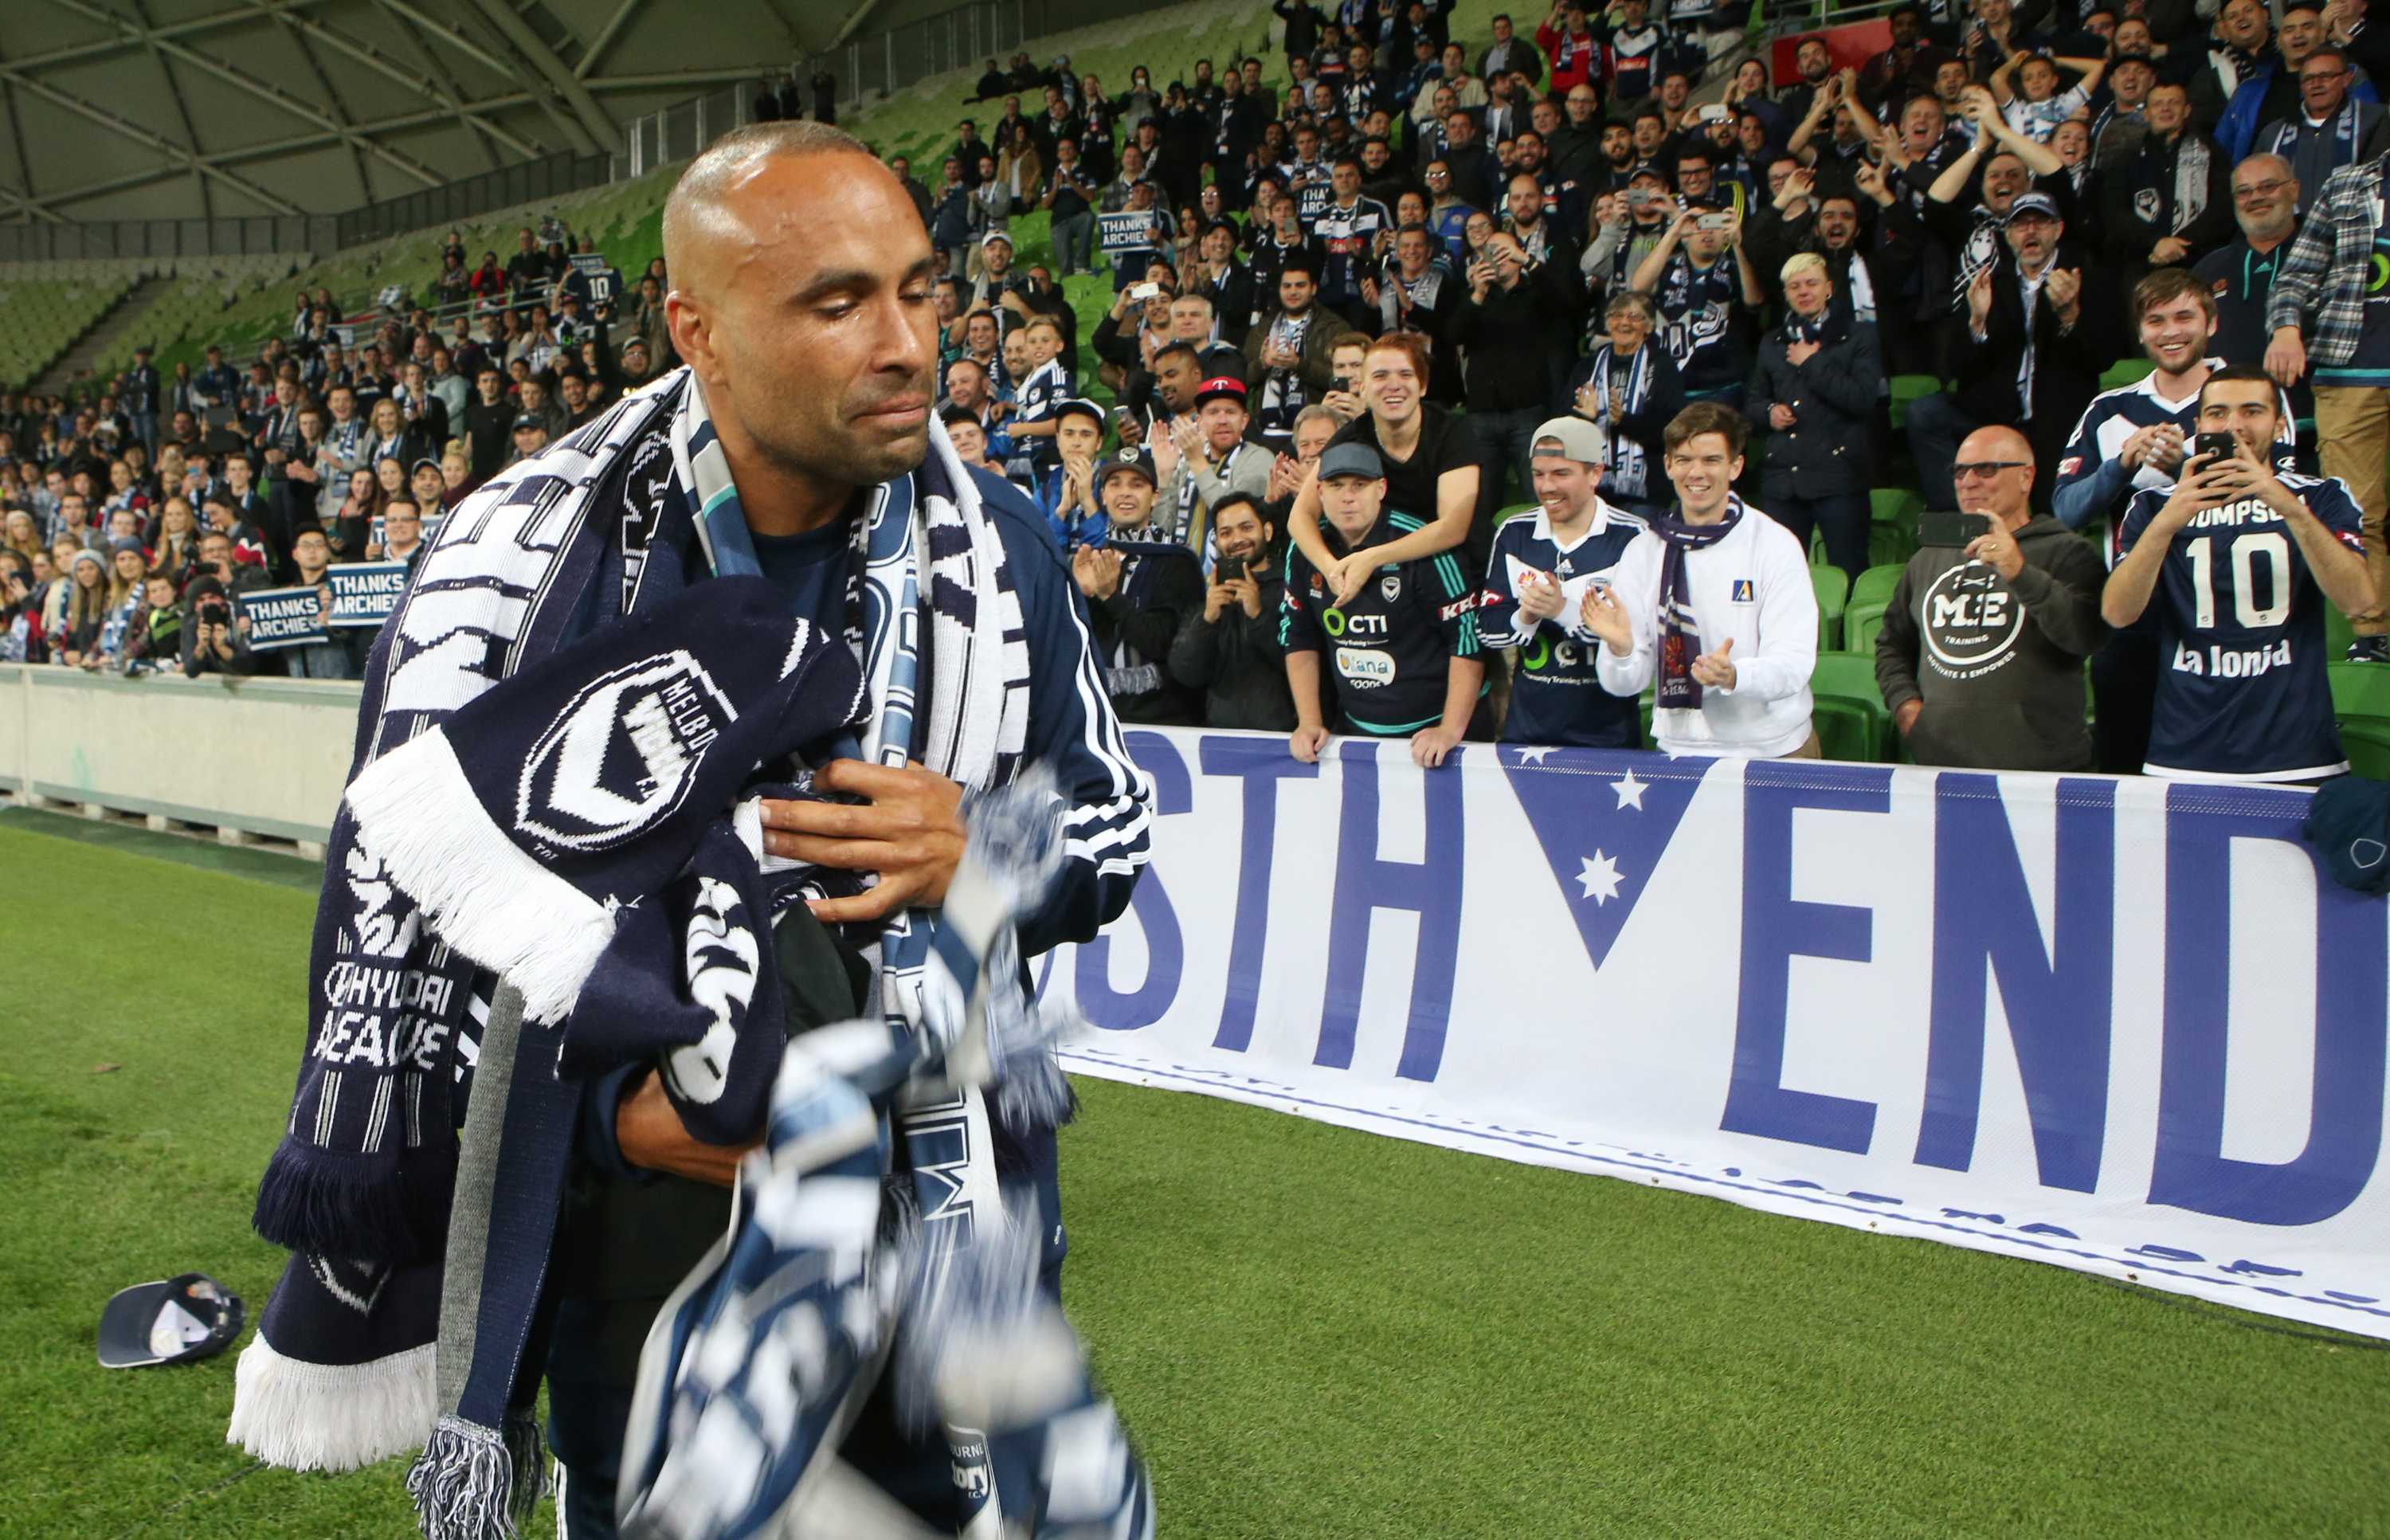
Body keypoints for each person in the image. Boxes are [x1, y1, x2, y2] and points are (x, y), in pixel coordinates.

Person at [2102, 366, 2375, 780]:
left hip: (2297, 751)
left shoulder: (2321, 496)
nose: (2233, 425)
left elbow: (2359, 600)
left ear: (2279, 423)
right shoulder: (2153, 506)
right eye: (2218, 413)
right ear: (2199, 424)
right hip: (2185, 752)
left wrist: (2280, 500)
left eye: (2251, 411)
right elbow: (2117, 613)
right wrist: (2168, 522)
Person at [1581, 402, 1819, 758]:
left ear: (1735, 466)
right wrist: (1620, 649)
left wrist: (1734, 676)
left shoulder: (1774, 544)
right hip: (1681, 748)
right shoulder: (1644, 550)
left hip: (1774, 749)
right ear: (1668, 466)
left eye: (1711, 460)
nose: (1696, 473)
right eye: (1684, 460)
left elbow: (1794, 663)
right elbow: (1623, 685)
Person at [1878, 425, 2110, 770]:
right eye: (1959, 471)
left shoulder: (2069, 551)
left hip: (2041, 773)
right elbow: (1892, 644)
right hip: (1939, 766)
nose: (1968, 481)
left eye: (1986, 469)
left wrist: (2019, 570)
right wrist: (1907, 709)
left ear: (2026, 477)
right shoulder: (1929, 557)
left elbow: (2084, 636)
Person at [1281, 441, 1489, 765]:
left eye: (1359, 485)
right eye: (1336, 486)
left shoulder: (1420, 544)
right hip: (1357, 729)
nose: (1347, 497)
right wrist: (1308, 721)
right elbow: (1298, 636)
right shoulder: (1306, 549)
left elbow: (1466, 638)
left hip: (1437, 734)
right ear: (1318, 491)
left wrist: (1448, 730)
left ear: (1381, 488)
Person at [2264, 137, 2390, 660]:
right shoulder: (2348, 183)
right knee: (2361, 511)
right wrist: (2287, 328)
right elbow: (2295, 275)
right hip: (2350, 368)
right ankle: (2373, 633)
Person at [1906, 193, 2094, 511]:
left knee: (2049, 501)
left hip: (2058, 419)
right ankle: (1958, 517)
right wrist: (1977, 324)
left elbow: (2100, 356)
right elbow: (1955, 368)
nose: (2030, 231)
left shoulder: (2083, 279)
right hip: (1996, 416)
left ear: (2058, 230)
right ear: (2008, 236)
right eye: (2020, 225)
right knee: (1925, 412)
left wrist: (2070, 317)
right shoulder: (1989, 285)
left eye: (2040, 223)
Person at [1476, 416, 1648, 747]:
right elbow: (1487, 629)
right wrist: (1525, 616)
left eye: (1561, 474)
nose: (1546, 487)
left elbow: (1635, 639)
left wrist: (1561, 610)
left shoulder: (1633, 536)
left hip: (1608, 737)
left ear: (1595, 473)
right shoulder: (1514, 531)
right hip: (1527, 734)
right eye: (1539, 474)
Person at [1743, 253, 1881, 585]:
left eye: (1811, 283)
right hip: (1783, 480)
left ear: (1829, 289)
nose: (1803, 291)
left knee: (1849, 571)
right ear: (1786, 294)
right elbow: (1752, 402)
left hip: (1839, 475)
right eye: (1795, 286)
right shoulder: (1772, 341)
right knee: (1776, 579)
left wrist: (1812, 362)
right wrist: (1769, 413)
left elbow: (1863, 400)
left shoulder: (1859, 335)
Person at [1073, 453, 1207, 723]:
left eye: (1137, 485)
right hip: (1097, 710)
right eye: (1115, 484)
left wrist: (1111, 597)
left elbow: (1162, 645)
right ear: (1103, 497)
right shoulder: (1088, 559)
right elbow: (1073, 648)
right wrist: (1081, 597)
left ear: (1155, 497)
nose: (1125, 493)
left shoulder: (1177, 561)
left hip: (1161, 717)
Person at [1167, 491, 1299, 730]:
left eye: (1246, 528)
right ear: (1216, 541)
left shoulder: (1293, 587)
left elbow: (1305, 666)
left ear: (1267, 532)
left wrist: (1258, 616)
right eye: (1226, 533)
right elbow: (1184, 673)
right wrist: (1207, 620)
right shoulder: (1206, 595)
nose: (1237, 539)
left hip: (1284, 740)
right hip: (1220, 740)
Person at [1565, 290, 1685, 520]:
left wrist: (1624, 422)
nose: (1624, 323)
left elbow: (1673, 428)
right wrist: (1587, 420)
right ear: (1607, 324)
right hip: (1594, 487)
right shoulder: (1587, 367)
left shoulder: (1663, 367)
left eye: (1634, 317)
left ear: (1649, 327)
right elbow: (1562, 420)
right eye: (1616, 316)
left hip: (1646, 490)